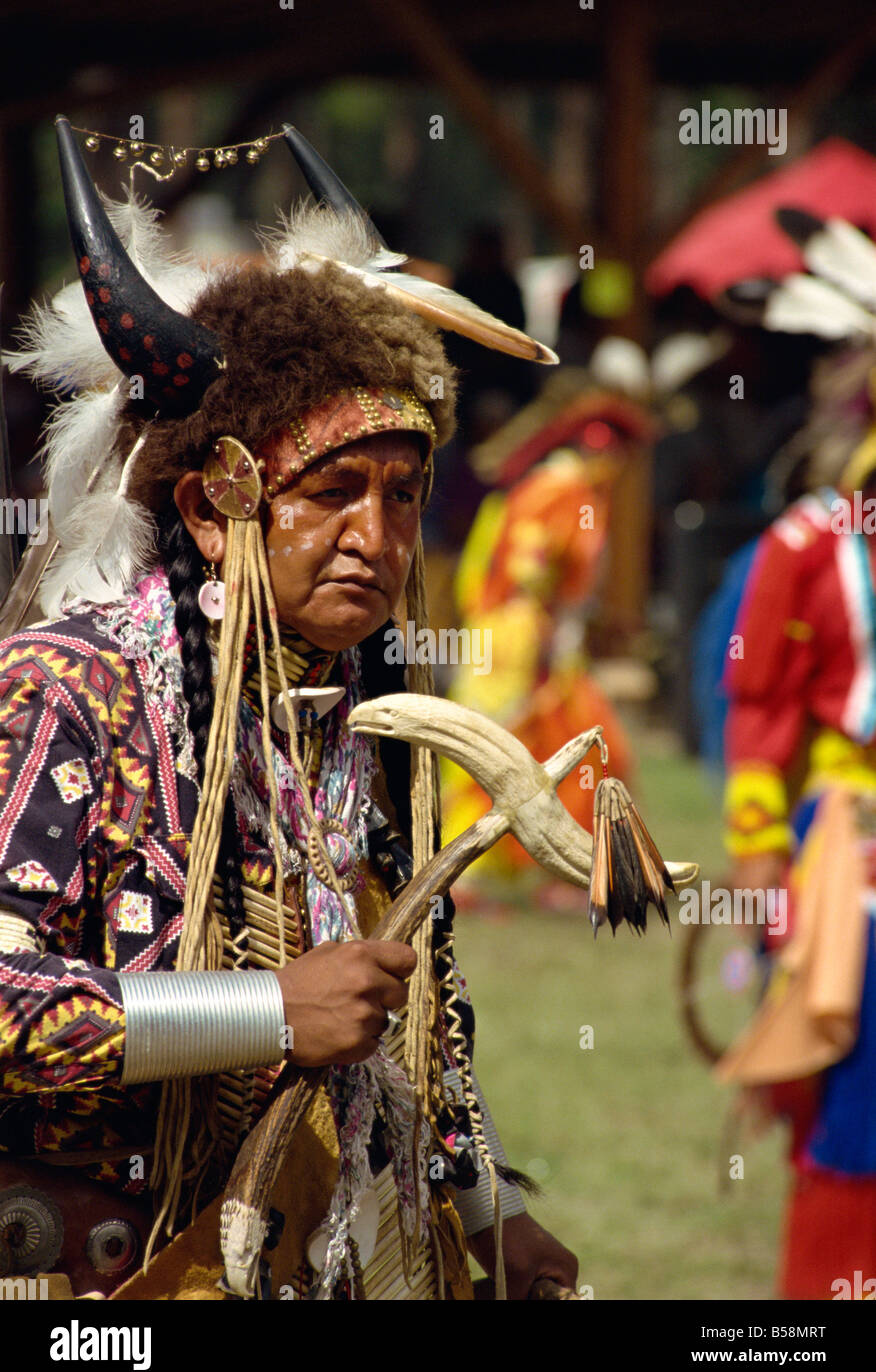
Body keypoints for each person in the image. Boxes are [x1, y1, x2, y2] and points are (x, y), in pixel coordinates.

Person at [0, 118, 577, 1300]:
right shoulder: (68, 688)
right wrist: (263, 1010)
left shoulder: (358, 716)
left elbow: (419, 1008)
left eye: (404, 494)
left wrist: (489, 1208)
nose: (377, 534)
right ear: (214, 510)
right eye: (333, 489)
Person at [717, 208, 876, 1299]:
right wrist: (763, 860)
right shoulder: (806, 545)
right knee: (857, 1101)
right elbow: (761, 713)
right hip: (851, 858)